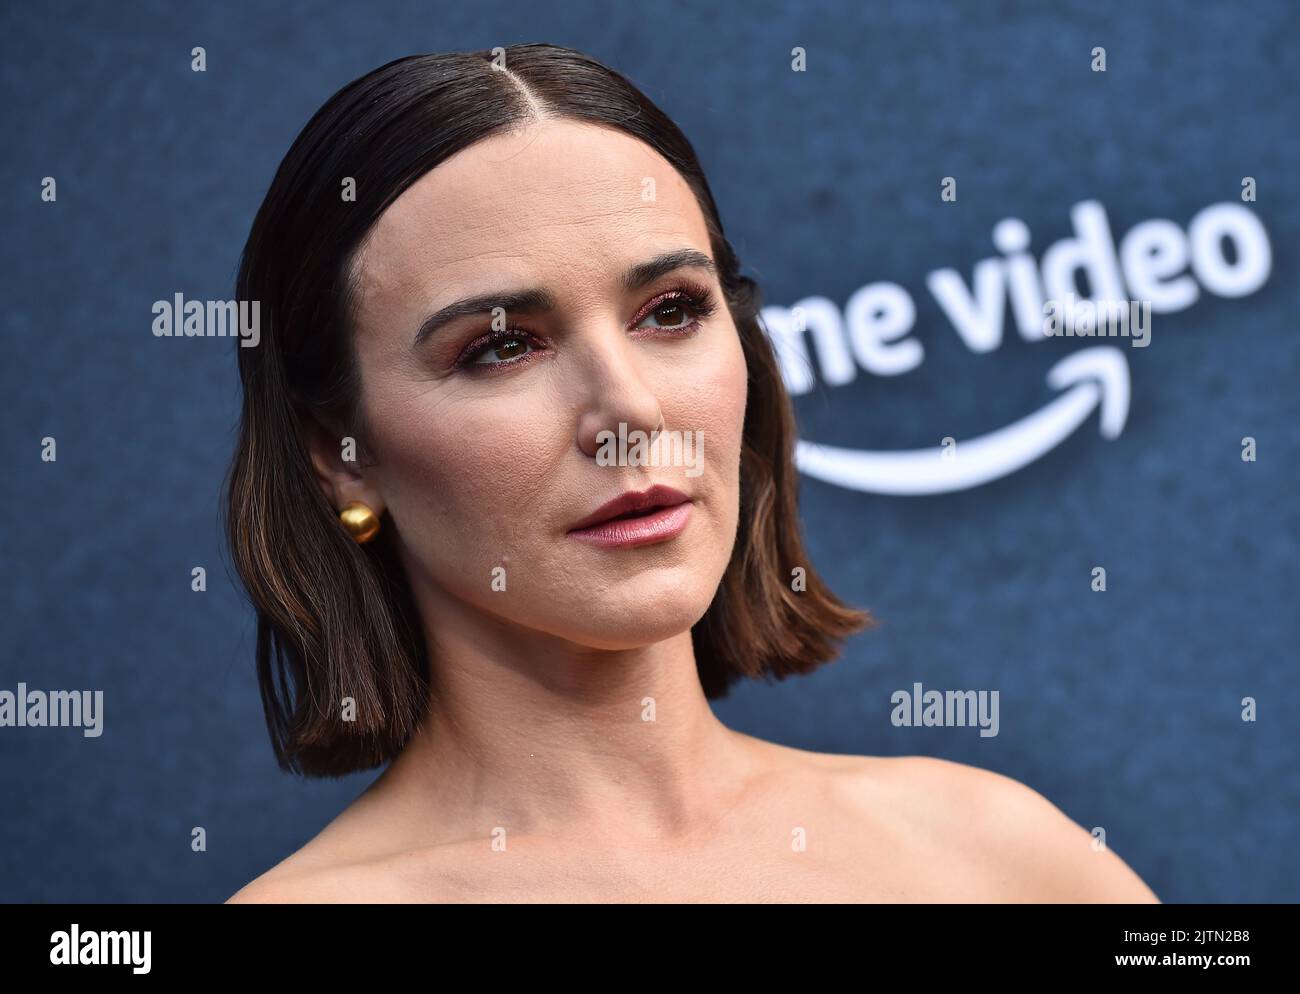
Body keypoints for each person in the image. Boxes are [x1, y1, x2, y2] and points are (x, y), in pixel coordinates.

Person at [223, 44, 1159, 903]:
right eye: (501, 349)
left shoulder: (999, 858)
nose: (631, 412)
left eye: (671, 312)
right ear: (338, 458)